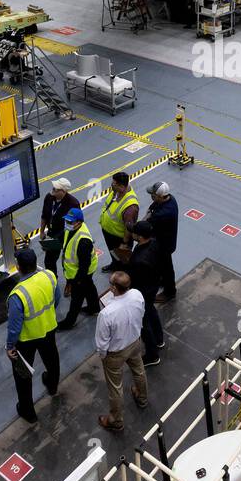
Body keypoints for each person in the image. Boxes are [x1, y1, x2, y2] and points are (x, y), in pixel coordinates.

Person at [5, 248, 61, 424]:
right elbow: (56, 299)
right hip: (48, 328)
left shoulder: (18, 294)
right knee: (52, 359)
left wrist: (10, 346)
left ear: (18, 267)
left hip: (26, 340)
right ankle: (52, 386)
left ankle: (28, 411)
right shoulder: (49, 276)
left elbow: (14, 326)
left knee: (22, 375)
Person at [95, 270, 148, 432]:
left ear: (113, 288)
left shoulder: (106, 314)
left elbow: (102, 343)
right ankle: (142, 397)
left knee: (115, 387)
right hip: (135, 342)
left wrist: (104, 357)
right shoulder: (137, 295)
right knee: (139, 371)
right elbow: (142, 313)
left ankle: (116, 420)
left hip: (115, 354)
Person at [56, 207, 101, 329]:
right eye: (67, 221)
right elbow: (63, 236)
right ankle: (94, 307)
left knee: (76, 298)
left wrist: (78, 280)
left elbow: (84, 265)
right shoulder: (71, 229)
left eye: (70, 222)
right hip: (78, 271)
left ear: (79, 223)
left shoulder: (83, 241)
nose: (67, 223)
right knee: (90, 287)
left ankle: (69, 322)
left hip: (81, 273)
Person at [127, 220, 163, 366]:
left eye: (134, 232)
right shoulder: (154, 243)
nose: (132, 233)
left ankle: (152, 355)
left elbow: (134, 279)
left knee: (143, 325)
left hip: (142, 293)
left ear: (140, 237)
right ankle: (159, 339)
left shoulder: (140, 260)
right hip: (152, 287)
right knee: (152, 312)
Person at [98, 171, 140, 271]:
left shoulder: (130, 206)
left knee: (122, 259)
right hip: (109, 233)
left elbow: (128, 228)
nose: (112, 185)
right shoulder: (117, 191)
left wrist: (124, 243)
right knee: (113, 253)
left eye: (114, 184)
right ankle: (114, 264)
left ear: (121, 186)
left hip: (119, 238)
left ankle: (121, 274)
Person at [146, 181, 180, 303]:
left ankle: (170, 292)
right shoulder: (170, 199)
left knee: (166, 268)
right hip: (166, 240)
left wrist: (134, 227)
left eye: (153, 195)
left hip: (164, 245)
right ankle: (163, 281)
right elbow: (154, 206)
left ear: (160, 196)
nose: (151, 197)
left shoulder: (164, 214)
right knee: (163, 266)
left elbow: (147, 224)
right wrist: (151, 210)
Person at [39, 177, 81, 273]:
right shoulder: (49, 197)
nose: (52, 190)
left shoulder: (73, 204)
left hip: (66, 235)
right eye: (53, 187)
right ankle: (53, 280)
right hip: (52, 234)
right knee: (49, 261)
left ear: (64, 191)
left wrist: (61, 238)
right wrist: (41, 231)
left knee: (67, 261)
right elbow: (44, 215)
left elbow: (76, 224)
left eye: (55, 189)